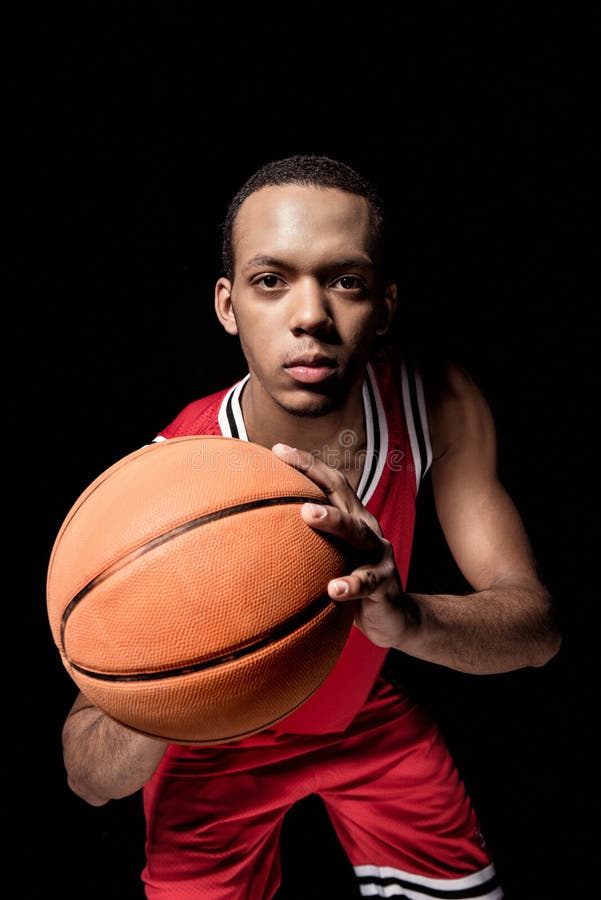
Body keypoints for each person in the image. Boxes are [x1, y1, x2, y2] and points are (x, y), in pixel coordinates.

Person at [61, 154, 561, 899]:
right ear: (228, 305)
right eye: (271, 280)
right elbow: (87, 773)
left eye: (345, 281)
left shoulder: (435, 402)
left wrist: (407, 619)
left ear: (384, 306)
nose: (309, 317)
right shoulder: (167, 480)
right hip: (214, 744)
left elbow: (536, 630)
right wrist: (171, 675)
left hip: (362, 713)